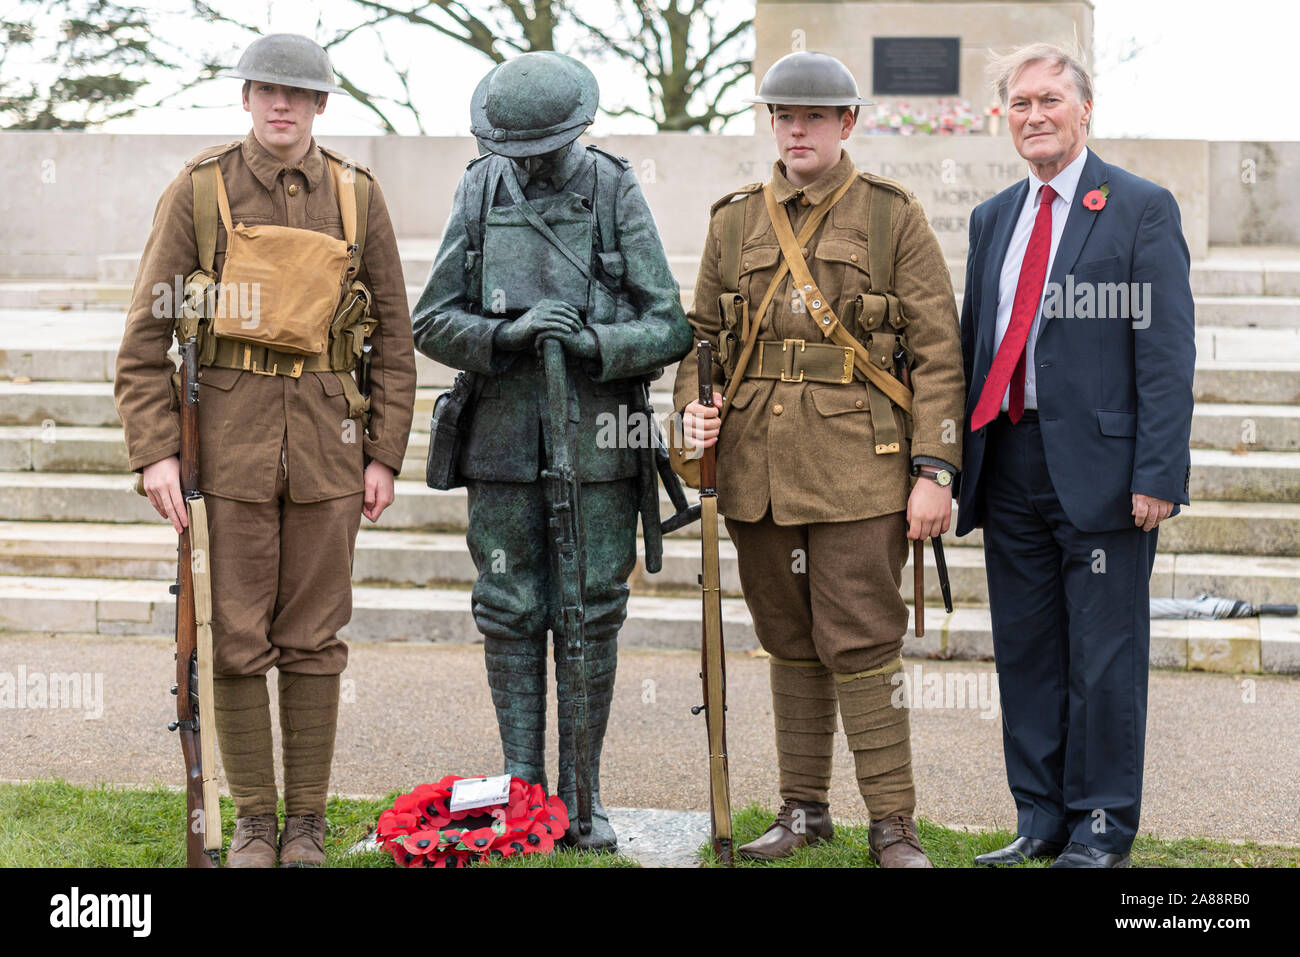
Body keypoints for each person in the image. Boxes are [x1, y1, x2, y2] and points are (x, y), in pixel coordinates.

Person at [113, 33, 416, 866]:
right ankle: (252, 819)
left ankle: (308, 822)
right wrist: (156, 454)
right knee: (237, 634)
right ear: (246, 97)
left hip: (329, 447)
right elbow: (144, 338)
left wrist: (384, 451)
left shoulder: (358, 197)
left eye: (298, 92)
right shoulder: (199, 192)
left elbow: (392, 337)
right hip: (229, 448)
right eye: (265, 89)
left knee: (315, 636)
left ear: (321, 104)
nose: (281, 104)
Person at [678, 51, 965, 867]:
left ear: (847, 125)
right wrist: (687, 417)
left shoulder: (890, 216)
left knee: (864, 638)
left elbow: (939, 353)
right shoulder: (734, 218)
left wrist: (934, 470)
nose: (795, 129)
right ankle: (803, 809)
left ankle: (893, 823)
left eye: (812, 117)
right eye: (782, 115)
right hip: (756, 470)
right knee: (787, 636)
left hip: (858, 468)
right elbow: (699, 340)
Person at [411, 52, 691, 850]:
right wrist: (508, 333)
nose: (525, 164)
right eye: (513, 150)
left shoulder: (611, 186)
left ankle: (586, 791)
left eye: (539, 149)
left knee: (591, 610)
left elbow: (669, 322)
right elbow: (434, 319)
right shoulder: (479, 187)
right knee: (508, 608)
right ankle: (522, 788)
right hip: (500, 442)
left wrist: (594, 340)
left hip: (597, 443)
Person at [957, 43, 1195, 868]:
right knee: (1026, 653)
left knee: (1104, 661)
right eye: (1020, 103)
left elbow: (1165, 355)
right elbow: (973, 346)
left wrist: (1159, 473)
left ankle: (1099, 828)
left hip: (1105, 476)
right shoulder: (993, 219)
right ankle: (1040, 818)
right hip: (1010, 464)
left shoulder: (1137, 207)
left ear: (1083, 109)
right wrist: (953, 465)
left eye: (1049, 100)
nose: (1035, 115)